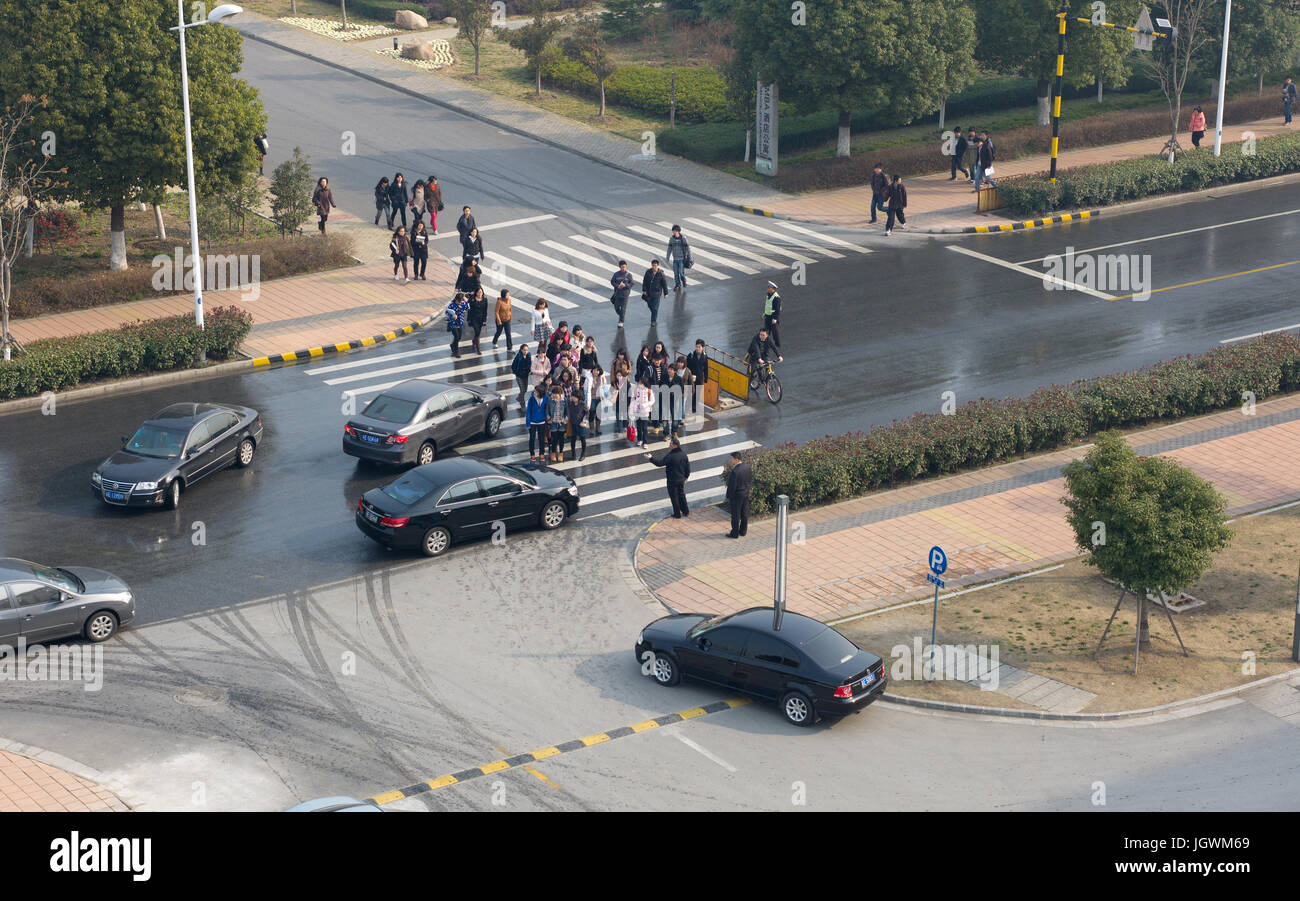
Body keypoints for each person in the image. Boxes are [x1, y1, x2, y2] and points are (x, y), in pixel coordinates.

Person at [647, 437, 691, 518]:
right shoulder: (684, 454)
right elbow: (687, 467)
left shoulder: (670, 456)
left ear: (675, 446)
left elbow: (660, 463)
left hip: (672, 480)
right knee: (681, 495)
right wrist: (686, 477)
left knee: (674, 497)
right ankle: (686, 511)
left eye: (670, 444)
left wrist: (651, 458)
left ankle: (677, 514)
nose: (669, 446)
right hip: (681, 479)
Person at [725, 451, 752, 538]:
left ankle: (734, 533)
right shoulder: (747, 467)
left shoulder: (735, 471)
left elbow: (732, 486)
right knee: (744, 513)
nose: (730, 460)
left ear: (736, 460)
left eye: (731, 459)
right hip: (745, 493)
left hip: (737, 495)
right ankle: (743, 531)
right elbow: (750, 480)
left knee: (735, 515)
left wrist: (729, 496)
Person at [568, 373, 590, 461]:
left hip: (581, 424)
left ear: (578, 397)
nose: (573, 398)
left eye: (574, 397)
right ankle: (573, 454)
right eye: (572, 396)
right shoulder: (571, 403)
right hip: (573, 423)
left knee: (582, 439)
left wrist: (584, 421)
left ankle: (583, 453)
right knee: (573, 439)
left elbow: (587, 413)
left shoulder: (582, 403)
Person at [641, 259, 668, 327]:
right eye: (653, 266)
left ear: (658, 266)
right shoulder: (648, 272)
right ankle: (654, 314)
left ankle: (653, 321)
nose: (654, 267)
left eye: (655, 266)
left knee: (655, 308)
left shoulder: (661, 274)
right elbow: (644, 281)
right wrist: (644, 290)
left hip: (657, 293)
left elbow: (664, 284)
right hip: (649, 293)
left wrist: (666, 293)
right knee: (650, 306)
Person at [545, 386, 568, 463]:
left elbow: (567, 411)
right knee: (554, 439)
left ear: (560, 394)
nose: (555, 395)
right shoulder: (550, 400)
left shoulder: (564, 400)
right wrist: (549, 419)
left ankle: (561, 453)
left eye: (556, 394)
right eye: (554, 393)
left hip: (562, 423)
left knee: (561, 439)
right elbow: (547, 410)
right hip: (553, 422)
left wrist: (566, 419)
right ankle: (553, 453)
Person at [685, 339, 709, 414]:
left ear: (702, 347)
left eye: (699, 347)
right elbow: (687, 367)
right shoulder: (691, 355)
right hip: (691, 377)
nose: (697, 348)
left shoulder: (704, 356)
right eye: (696, 346)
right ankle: (687, 407)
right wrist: (689, 376)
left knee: (697, 393)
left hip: (699, 377)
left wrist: (706, 377)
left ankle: (694, 407)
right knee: (690, 392)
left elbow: (706, 367)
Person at [665, 225, 692, 290]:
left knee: (681, 272)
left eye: (675, 231)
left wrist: (690, 257)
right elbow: (669, 248)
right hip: (675, 259)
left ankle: (684, 280)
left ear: (678, 231)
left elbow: (688, 248)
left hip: (682, 259)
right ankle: (678, 285)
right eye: (673, 231)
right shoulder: (672, 239)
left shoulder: (683, 238)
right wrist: (667, 257)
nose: (673, 232)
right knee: (676, 273)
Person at [526, 383, 548, 462]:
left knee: (541, 439)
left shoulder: (545, 398)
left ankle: (542, 454)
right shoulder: (531, 399)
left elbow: (547, 409)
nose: (534, 392)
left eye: (536, 391)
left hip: (542, 422)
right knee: (532, 439)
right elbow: (528, 411)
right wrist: (528, 423)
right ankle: (532, 454)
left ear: (540, 393)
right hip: (532, 422)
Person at [610, 260, 635, 328]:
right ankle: (621, 315)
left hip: (625, 295)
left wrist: (625, 285)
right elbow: (612, 281)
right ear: (620, 267)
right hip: (617, 294)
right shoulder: (616, 274)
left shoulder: (629, 275)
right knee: (616, 307)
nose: (623, 268)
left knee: (623, 309)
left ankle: (621, 321)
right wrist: (617, 286)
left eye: (624, 267)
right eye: (622, 267)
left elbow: (632, 283)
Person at [631, 376, 654, 448]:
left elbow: (652, 400)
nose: (639, 384)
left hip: (645, 411)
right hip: (637, 411)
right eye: (639, 382)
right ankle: (639, 440)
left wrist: (645, 405)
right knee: (638, 426)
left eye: (641, 383)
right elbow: (632, 399)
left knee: (644, 427)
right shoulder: (635, 390)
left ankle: (645, 442)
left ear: (644, 383)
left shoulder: (649, 391)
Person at [446, 291, 469, 358]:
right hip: (453, 323)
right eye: (458, 301)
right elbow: (447, 312)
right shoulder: (452, 304)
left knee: (459, 337)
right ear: (456, 299)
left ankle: (453, 345)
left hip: (460, 322)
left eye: (460, 301)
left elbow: (468, 308)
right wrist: (452, 315)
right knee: (456, 337)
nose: (459, 303)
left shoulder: (462, 303)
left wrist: (465, 301)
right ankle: (456, 352)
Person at [467, 287, 489, 354]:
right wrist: (469, 319)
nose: (480, 294)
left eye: (481, 292)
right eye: (478, 292)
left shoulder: (485, 300)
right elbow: (469, 310)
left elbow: (485, 311)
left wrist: (484, 320)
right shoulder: (472, 300)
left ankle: (474, 341)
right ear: (476, 293)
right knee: (477, 332)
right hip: (474, 319)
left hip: (481, 319)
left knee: (478, 333)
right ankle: (478, 349)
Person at [762, 281, 782, 351]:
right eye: (768, 287)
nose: (768, 288)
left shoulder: (776, 297)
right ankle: (766, 344)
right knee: (767, 331)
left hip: (773, 317)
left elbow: (777, 309)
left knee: (775, 333)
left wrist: (775, 318)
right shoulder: (768, 295)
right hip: (768, 316)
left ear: (773, 289)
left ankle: (778, 345)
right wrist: (765, 313)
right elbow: (767, 305)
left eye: (769, 287)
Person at [589, 365, 609, 436]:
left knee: (599, 414)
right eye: (594, 370)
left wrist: (606, 395)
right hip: (592, 398)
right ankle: (591, 429)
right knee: (592, 413)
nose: (596, 372)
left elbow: (605, 387)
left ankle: (598, 428)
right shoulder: (589, 378)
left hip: (600, 398)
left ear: (599, 371)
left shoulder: (602, 378)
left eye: (597, 370)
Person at [511, 342, 532, 408]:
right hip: (519, 376)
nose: (526, 351)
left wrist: (529, 371)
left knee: (525, 390)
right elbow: (513, 366)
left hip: (526, 376)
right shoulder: (518, 357)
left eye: (527, 350)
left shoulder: (528, 355)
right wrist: (517, 373)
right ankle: (522, 403)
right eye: (524, 350)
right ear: (521, 350)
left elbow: (529, 364)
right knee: (522, 390)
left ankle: (519, 398)